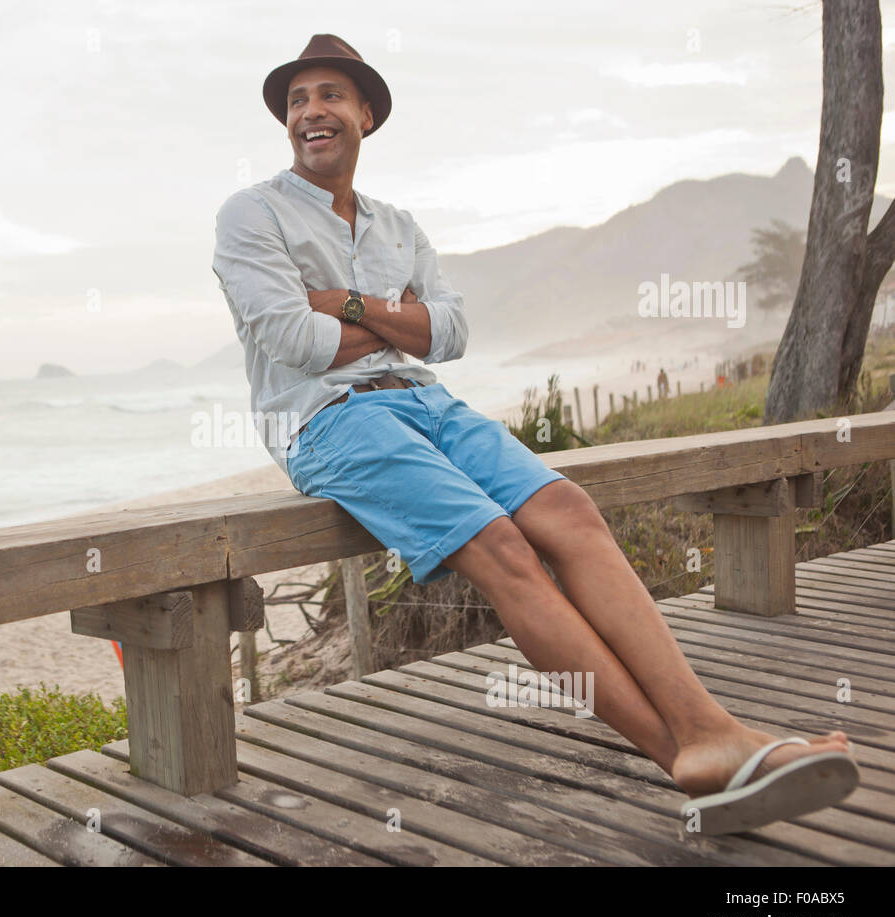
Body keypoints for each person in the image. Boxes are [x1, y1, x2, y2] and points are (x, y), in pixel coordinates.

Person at [211, 33, 857, 836]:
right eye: (298, 99)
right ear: (287, 122)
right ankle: (688, 750)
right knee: (507, 551)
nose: (313, 110)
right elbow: (290, 343)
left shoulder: (398, 225)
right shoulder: (252, 213)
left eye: (331, 95)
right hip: (330, 421)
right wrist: (395, 320)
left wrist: (343, 303)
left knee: (572, 513)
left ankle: (711, 729)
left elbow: (449, 333)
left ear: (366, 115)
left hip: (429, 402)